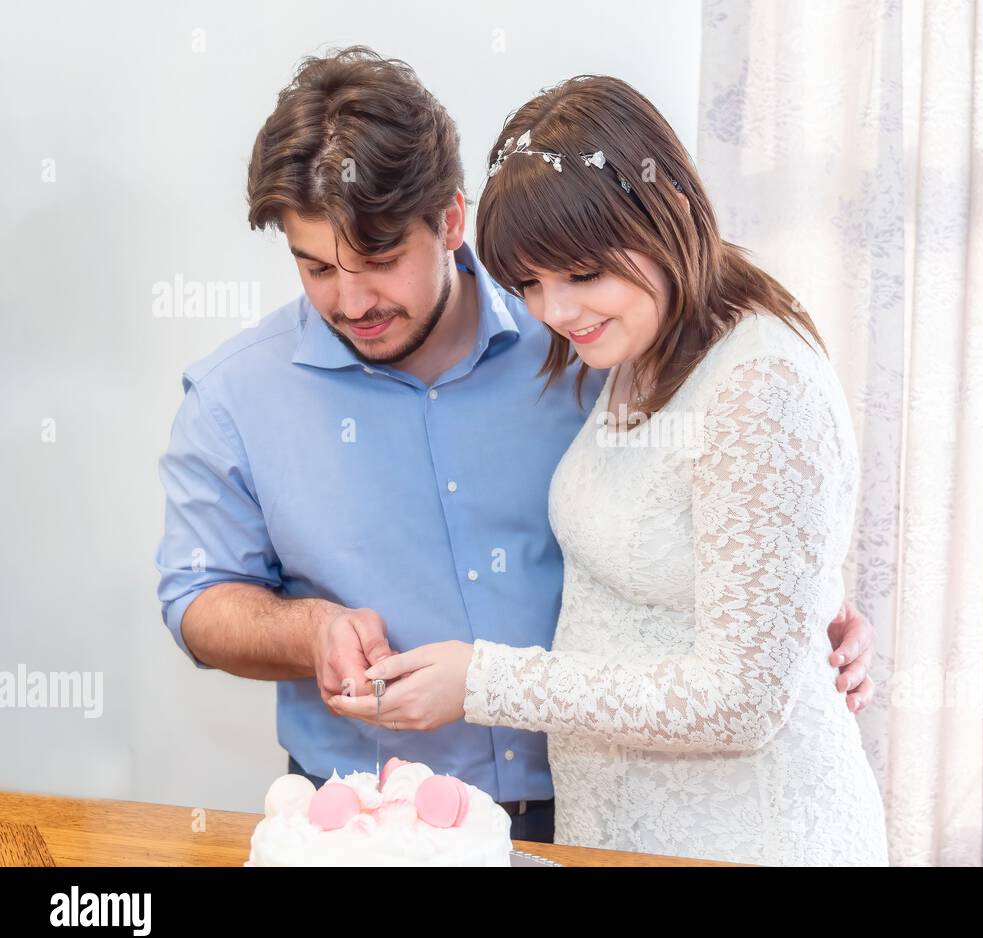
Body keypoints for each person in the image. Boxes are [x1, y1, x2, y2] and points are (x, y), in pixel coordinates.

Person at [154, 48, 876, 849]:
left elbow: (733, 506)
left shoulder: (582, 337)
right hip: (376, 815)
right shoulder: (235, 395)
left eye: (382, 260)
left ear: (450, 221)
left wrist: (800, 599)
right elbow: (194, 598)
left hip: (591, 813)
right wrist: (312, 628)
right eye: (317, 267)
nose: (352, 300)